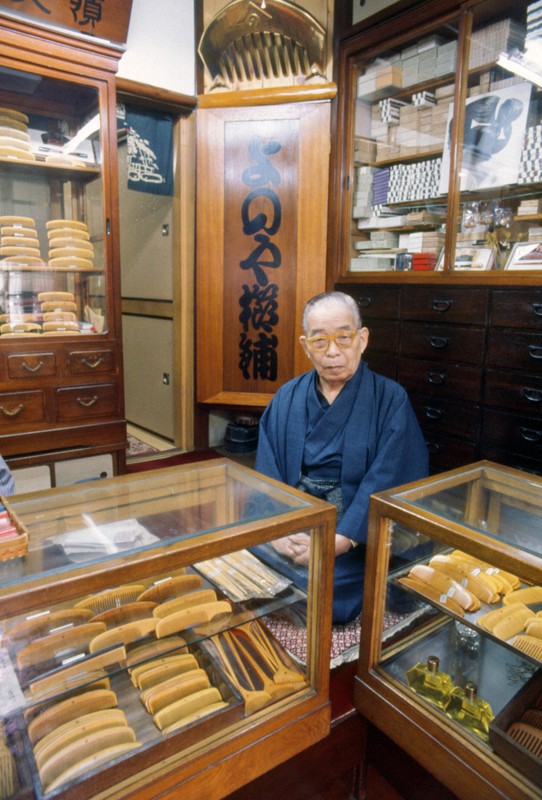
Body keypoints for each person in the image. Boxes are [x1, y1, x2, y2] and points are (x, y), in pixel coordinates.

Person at [254, 290, 429, 623]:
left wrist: (342, 539)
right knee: (251, 556)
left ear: (362, 340)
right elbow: (267, 470)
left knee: (326, 588)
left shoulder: (389, 399)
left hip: (353, 533)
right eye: (320, 341)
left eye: (343, 338)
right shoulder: (287, 397)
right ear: (306, 346)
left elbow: (391, 474)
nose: (332, 352)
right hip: (293, 522)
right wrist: (276, 531)